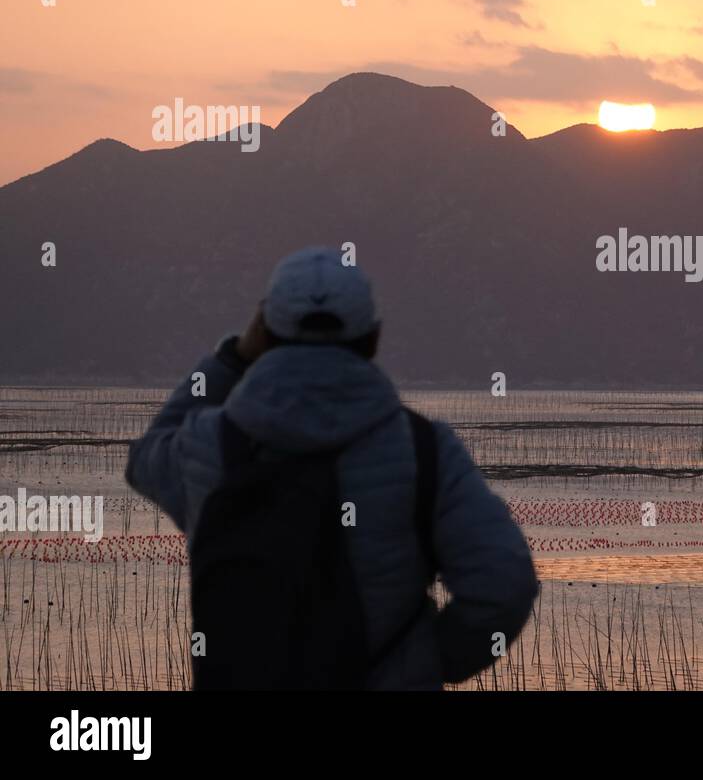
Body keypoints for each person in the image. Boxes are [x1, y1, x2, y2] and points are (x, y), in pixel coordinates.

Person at [126, 246, 537, 689]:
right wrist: (419, 666)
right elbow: (504, 586)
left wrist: (232, 360)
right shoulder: (423, 450)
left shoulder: (210, 445)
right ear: (374, 338)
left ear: (264, 331)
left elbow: (146, 457)